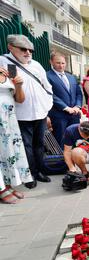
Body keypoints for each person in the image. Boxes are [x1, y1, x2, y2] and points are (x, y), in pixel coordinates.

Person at [0, 34, 53, 189]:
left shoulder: (36, 65)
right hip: (21, 115)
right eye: (23, 49)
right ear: (11, 47)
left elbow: (47, 86)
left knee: (39, 144)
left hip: (40, 113)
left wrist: (47, 108)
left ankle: (39, 172)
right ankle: (29, 175)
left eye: (30, 50)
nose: (28, 53)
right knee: (25, 146)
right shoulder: (6, 63)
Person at [0, 66, 32, 203]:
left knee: (8, 152)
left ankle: (6, 185)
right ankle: (1, 188)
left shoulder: (7, 70)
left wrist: (18, 86)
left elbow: (20, 99)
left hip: (9, 119)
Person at [47, 52, 83, 147]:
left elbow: (78, 93)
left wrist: (77, 106)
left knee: (75, 139)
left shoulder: (71, 77)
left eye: (63, 63)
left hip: (74, 114)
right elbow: (50, 95)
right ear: (51, 62)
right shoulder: (47, 76)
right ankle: (62, 161)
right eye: (58, 63)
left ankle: (73, 160)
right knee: (61, 140)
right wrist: (65, 107)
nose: (61, 65)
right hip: (59, 115)